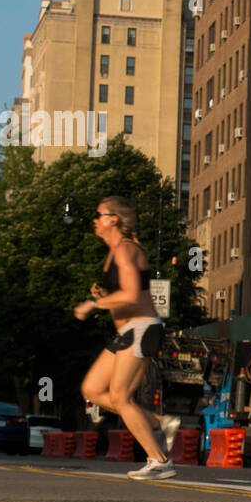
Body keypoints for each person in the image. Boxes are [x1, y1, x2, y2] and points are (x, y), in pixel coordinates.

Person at [73, 196, 179, 479]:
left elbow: (132, 295)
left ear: (113, 219)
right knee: (92, 389)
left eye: (98, 214)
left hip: (144, 327)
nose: (94, 220)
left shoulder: (125, 249)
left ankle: (159, 460)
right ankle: (159, 422)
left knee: (120, 397)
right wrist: (108, 300)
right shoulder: (112, 253)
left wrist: (93, 305)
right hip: (128, 329)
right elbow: (125, 303)